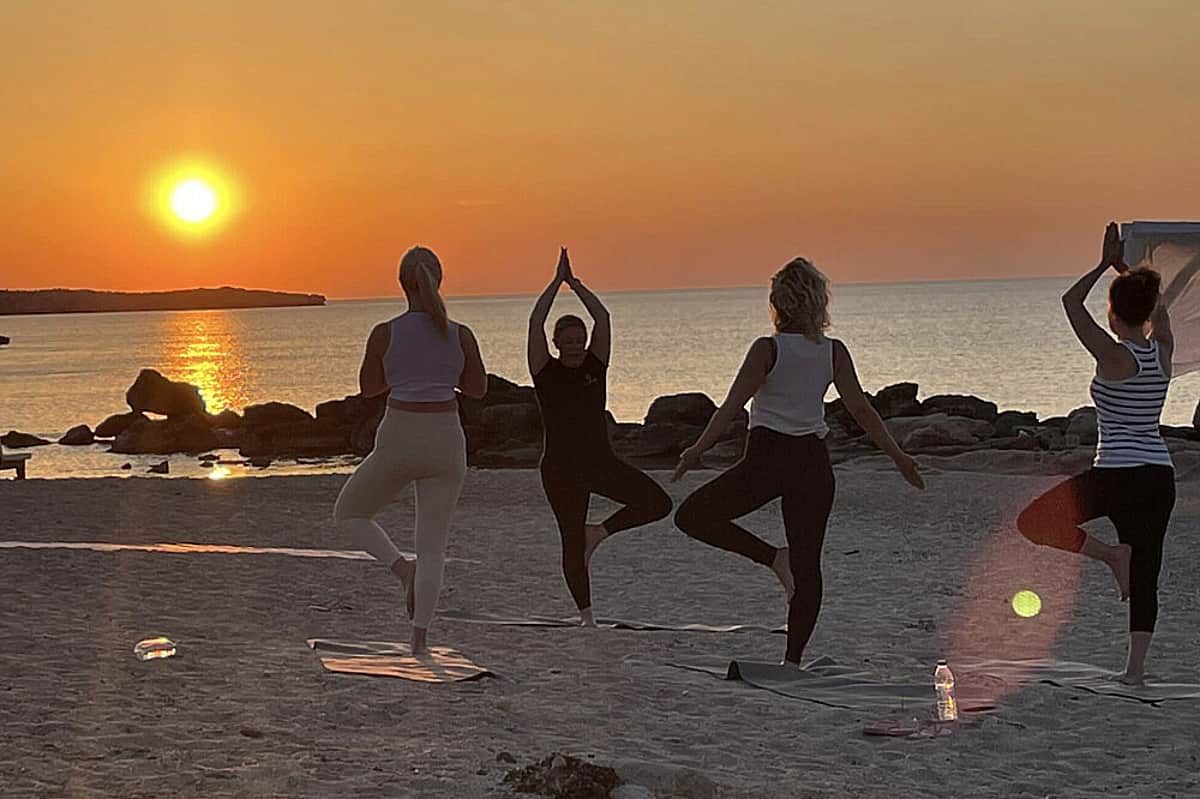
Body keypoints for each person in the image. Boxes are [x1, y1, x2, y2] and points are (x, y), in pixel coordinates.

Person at [673, 257, 924, 666]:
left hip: (771, 460)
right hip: (810, 463)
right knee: (803, 565)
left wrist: (697, 450)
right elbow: (862, 411)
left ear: (779, 303)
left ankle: (782, 596)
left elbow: (730, 408)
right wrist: (899, 459)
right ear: (818, 301)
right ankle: (790, 644)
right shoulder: (831, 351)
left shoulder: (769, 348)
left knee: (694, 517)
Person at [1017, 222, 1175, 685]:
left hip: (1117, 474)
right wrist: (1132, 278)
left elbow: (1069, 302)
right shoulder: (1163, 353)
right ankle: (1134, 671)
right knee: (1147, 570)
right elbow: (1159, 311)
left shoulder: (1112, 356)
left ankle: (1109, 556)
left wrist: (1106, 264)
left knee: (1035, 522)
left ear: (1111, 313)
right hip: (1159, 475)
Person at [333, 246, 487, 654]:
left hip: (401, 432)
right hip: (446, 437)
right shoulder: (461, 333)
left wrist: (406, 372)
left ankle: (402, 571)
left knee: (349, 512)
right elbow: (477, 389)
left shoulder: (386, 332)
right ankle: (420, 639)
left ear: (402, 283)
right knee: (433, 544)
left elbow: (369, 388)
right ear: (439, 281)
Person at [528, 248, 673, 626]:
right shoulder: (545, 372)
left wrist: (574, 285)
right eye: (568, 341)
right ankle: (587, 617)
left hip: (600, 462)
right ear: (557, 343)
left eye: (580, 340)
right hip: (560, 470)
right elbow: (535, 322)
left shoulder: (596, 366)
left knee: (657, 502)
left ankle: (600, 532)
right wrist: (553, 284)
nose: (575, 346)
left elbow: (603, 317)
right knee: (570, 542)